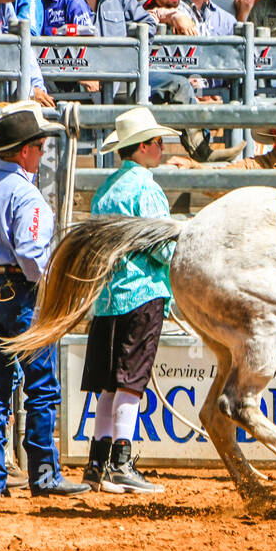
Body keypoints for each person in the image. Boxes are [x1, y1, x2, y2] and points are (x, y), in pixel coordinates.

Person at [0, 102, 89, 497]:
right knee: (41, 384)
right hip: (21, 292)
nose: (41, 154)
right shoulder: (27, 196)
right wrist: (46, 283)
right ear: (24, 151)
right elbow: (29, 251)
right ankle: (44, 474)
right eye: (39, 147)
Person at [79, 108, 182, 494]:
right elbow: (162, 246)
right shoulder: (147, 189)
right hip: (141, 293)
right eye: (157, 142)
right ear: (143, 147)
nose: (161, 147)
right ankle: (121, 461)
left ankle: (98, 463)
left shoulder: (105, 190)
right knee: (131, 382)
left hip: (106, 299)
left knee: (109, 383)